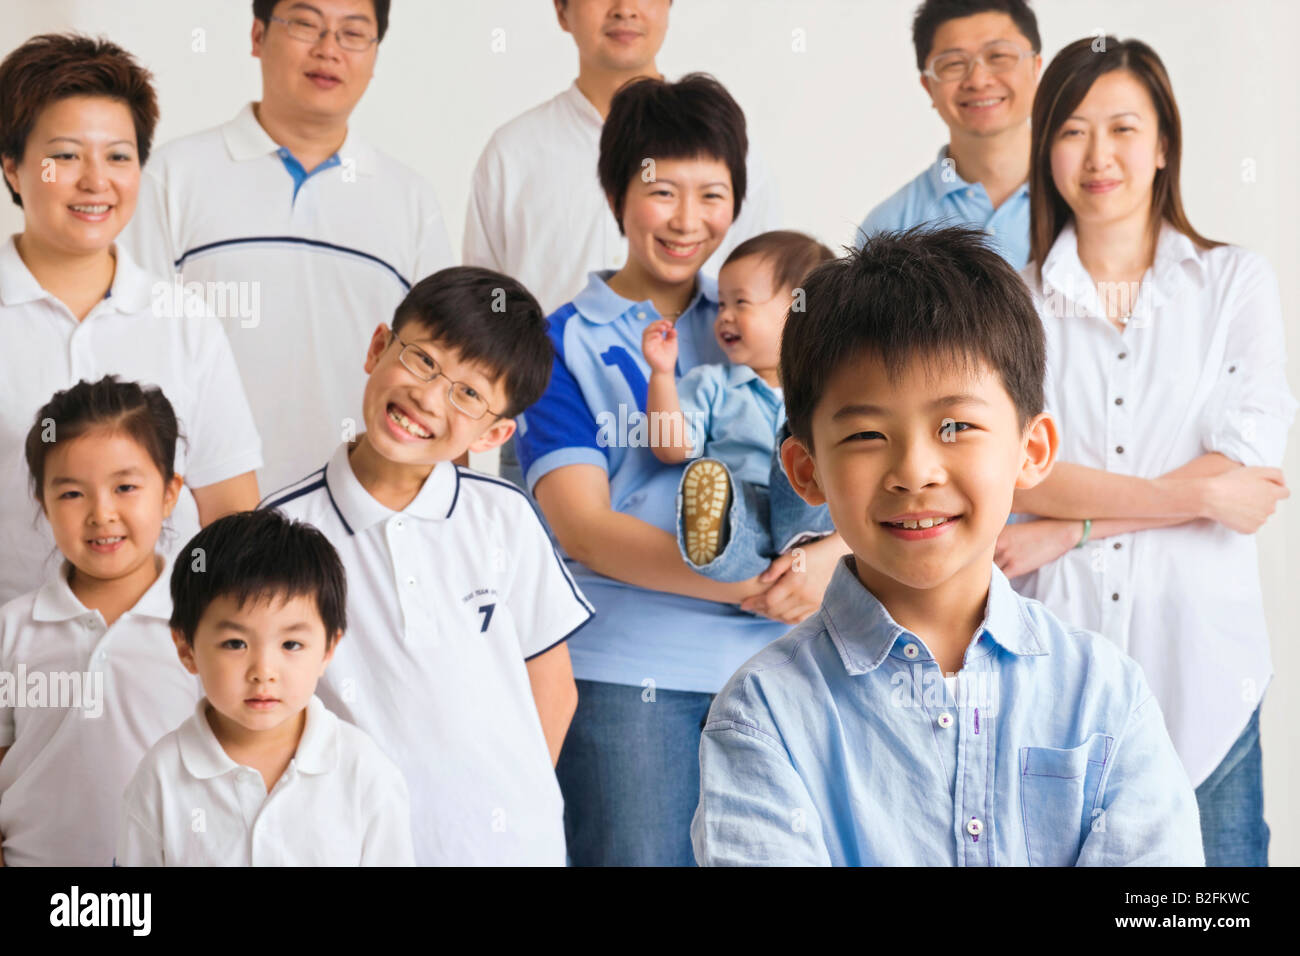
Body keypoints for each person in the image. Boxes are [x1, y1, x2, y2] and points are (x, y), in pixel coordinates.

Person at [691, 226, 1205, 866]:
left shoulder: (1106, 696)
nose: (915, 470)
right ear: (805, 470)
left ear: (1032, 450)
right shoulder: (762, 714)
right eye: (866, 435)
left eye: (956, 426)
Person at [516, 74, 847, 866]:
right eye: (664, 191)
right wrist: (752, 585)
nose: (689, 220)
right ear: (616, 192)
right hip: (630, 677)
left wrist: (830, 560)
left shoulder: (768, 316)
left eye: (714, 194)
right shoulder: (560, 343)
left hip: (779, 665)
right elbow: (585, 531)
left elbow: (856, 465)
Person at [999, 37, 1296, 867]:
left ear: (1163, 145)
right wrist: (1202, 496)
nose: (1100, 156)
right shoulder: (1013, 304)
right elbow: (1021, 471)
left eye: (1124, 128)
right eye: (1073, 131)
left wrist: (1070, 528)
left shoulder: (1236, 282)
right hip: (1059, 675)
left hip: (1205, 671)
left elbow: (1246, 458)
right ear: (1045, 149)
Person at [262, 267, 593, 865]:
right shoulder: (281, 531)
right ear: (377, 347)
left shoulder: (505, 517)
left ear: (495, 432)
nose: (428, 396)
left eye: (468, 393)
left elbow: (555, 690)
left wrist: (508, 814)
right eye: (423, 361)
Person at [122, 0, 453, 493]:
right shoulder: (172, 176)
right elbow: (133, 348)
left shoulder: (410, 199)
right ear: (257, 36)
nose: (328, 50)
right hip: (202, 511)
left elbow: (444, 368)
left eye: (353, 33)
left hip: (359, 510)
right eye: (305, 24)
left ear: (375, 53)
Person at [0, 33, 262, 605]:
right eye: (65, 155)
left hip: (161, 663)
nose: (96, 180)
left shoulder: (184, 320)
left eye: (118, 156)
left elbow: (230, 514)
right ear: (13, 168)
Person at [116, 508, 414, 866]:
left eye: (291, 645)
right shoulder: (162, 776)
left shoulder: (366, 773)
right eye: (235, 643)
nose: (263, 672)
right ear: (186, 649)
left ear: (328, 649)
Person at [464, 0, 781, 315]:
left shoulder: (730, 153)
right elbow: (484, 312)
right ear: (561, 10)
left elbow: (767, 303)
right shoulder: (512, 152)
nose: (625, 9)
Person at [0, 377, 199, 867]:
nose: (101, 513)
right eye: (71, 494)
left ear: (170, 492)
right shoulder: (13, 630)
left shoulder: (206, 626)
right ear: (43, 503)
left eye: (126, 487)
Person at [640, 230, 835, 580]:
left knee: (815, 453)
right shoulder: (713, 383)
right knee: (733, 534)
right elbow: (672, 448)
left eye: (740, 303)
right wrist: (661, 374)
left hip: (810, 505)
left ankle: (806, 537)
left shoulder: (833, 387)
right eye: (721, 304)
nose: (725, 316)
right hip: (745, 507)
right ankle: (717, 536)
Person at [855, 0, 1041, 269]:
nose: (978, 80)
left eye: (998, 57)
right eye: (953, 63)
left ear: (1036, 68)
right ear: (928, 86)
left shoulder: (1090, 193)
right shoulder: (889, 228)